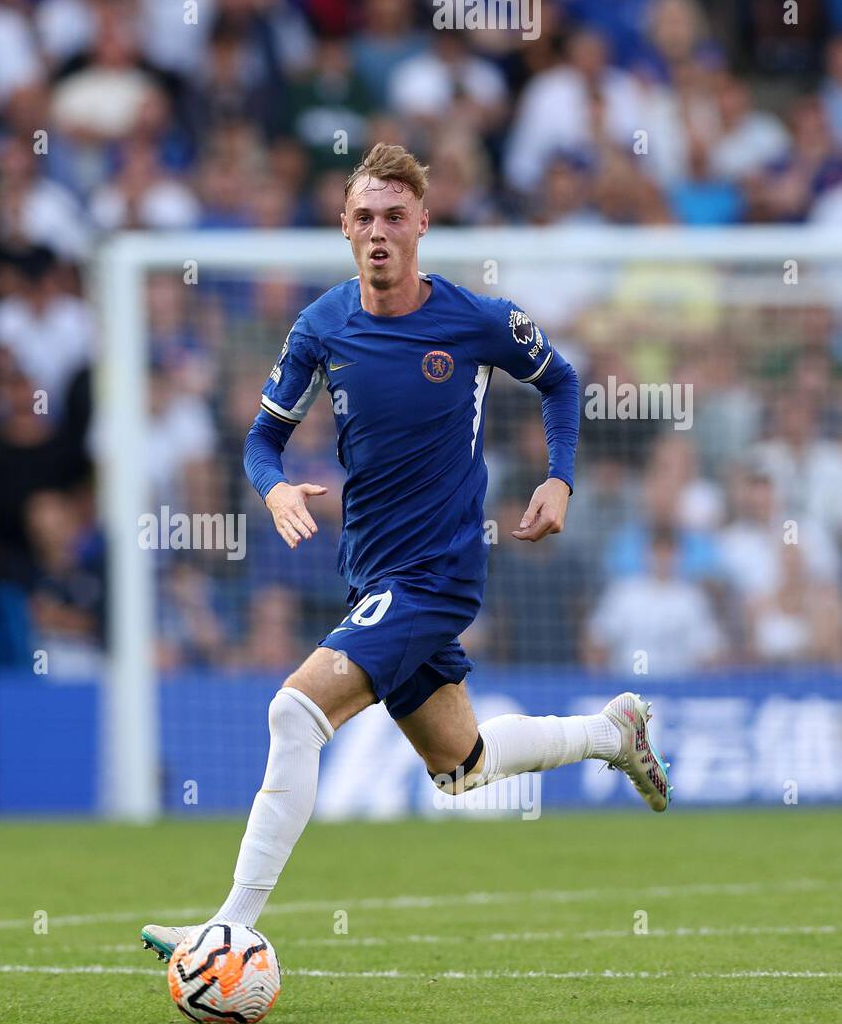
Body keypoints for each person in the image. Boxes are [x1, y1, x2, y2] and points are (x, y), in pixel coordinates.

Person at [141, 144, 671, 961]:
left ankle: (232, 923)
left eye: (395, 216)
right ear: (345, 229)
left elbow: (561, 379)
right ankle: (612, 732)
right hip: (372, 579)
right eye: (364, 218)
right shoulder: (322, 324)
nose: (379, 232)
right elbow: (261, 438)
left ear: (423, 222)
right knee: (463, 766)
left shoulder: (475, 320)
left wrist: (560, 479)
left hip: (439, 575)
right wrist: (274, 486)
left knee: (293, 711)